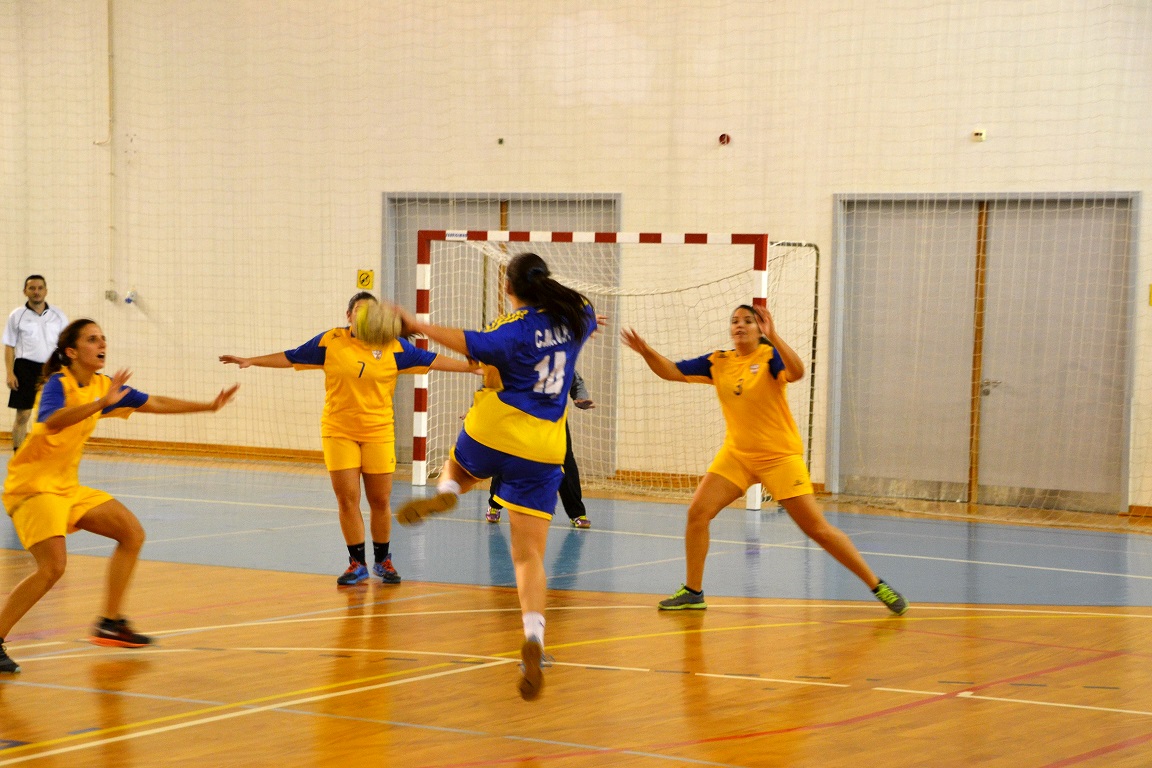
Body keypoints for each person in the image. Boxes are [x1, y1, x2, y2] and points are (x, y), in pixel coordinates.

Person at [393, 252, 597, 701]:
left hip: (495, 428)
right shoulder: (578, 313)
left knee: (459, 465)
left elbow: (466, 341)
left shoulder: (510, 331)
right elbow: (585, 316)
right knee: (528, 558)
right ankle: (534, 637)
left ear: (509, 287)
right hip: (544, 448)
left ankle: (448, 490)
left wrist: (417, 324)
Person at [621, 303, 909, 616]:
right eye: (735, 321)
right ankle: (693, 592)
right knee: (697, 513)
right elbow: (672, 371)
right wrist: (646, 350)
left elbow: (797, 372)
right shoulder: (718, 362)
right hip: (738, 455)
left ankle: (876, 584)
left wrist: (776, 337)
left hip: (779, 457)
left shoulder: (769, 357)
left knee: (817, 530)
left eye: (748, 321)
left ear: (760, 329)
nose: (739, 325)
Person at [0, 319, 239, 674]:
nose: (102, 344)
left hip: (66, 486)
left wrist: (207, 406)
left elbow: (153, 401)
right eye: (92, 339)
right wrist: (101, 403)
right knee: (53, 568)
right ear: (71, 352)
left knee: (131, 533)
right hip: (34, 486)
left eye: (103, 338)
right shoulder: (58, 383)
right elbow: (52, 421)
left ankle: (110, 622)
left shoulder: (102, 386)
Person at [220, 292, 476, 588]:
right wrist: (251, 361)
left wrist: (476, 366)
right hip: (338, 430)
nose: (364, 314)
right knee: (347, 498)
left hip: (378, 432)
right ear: (348, 315)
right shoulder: (331, 341)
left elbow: (433, 360)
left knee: (379, 499)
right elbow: (291, 356)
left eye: (371, 310)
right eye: (359, 310)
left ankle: (383, 560)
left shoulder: (394, 346)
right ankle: (357, 564)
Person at [486, 370, 593, 529]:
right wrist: (477, 407)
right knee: (509, 458)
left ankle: (577, 513)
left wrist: (580, 397)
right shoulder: (520, 359)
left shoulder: (561, 359)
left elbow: (576, 382)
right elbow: (491, 384)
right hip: (522, 416)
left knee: (565, 462)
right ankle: (494, 504)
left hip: (554, 420)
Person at [4, 275, 68, 452]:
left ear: (46, 291)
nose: (36, 292)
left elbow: (67, 344)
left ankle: (49, 454)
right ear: (25, 291)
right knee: (23, 415)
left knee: (52, 415)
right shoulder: (16, 316)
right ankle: (19, 456)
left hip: (53, 369)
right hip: (25, 368)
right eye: (32, 288)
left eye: (40, 288)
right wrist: (10, 372)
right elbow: (9, 346)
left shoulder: (58, 315)